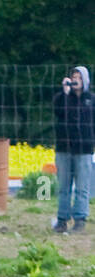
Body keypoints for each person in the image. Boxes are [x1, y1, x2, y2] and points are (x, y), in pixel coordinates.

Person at [52, 66, 92, 234]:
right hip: (64, 147)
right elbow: (58, 112)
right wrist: (65, 93)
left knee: (82, 186)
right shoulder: (62, 98)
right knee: (64, 186)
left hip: (84, 148)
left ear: (86, 80)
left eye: (80, 78)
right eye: (74, 77)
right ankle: (62, 220)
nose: (76, 81)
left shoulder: (91, 100)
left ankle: (80, 219)